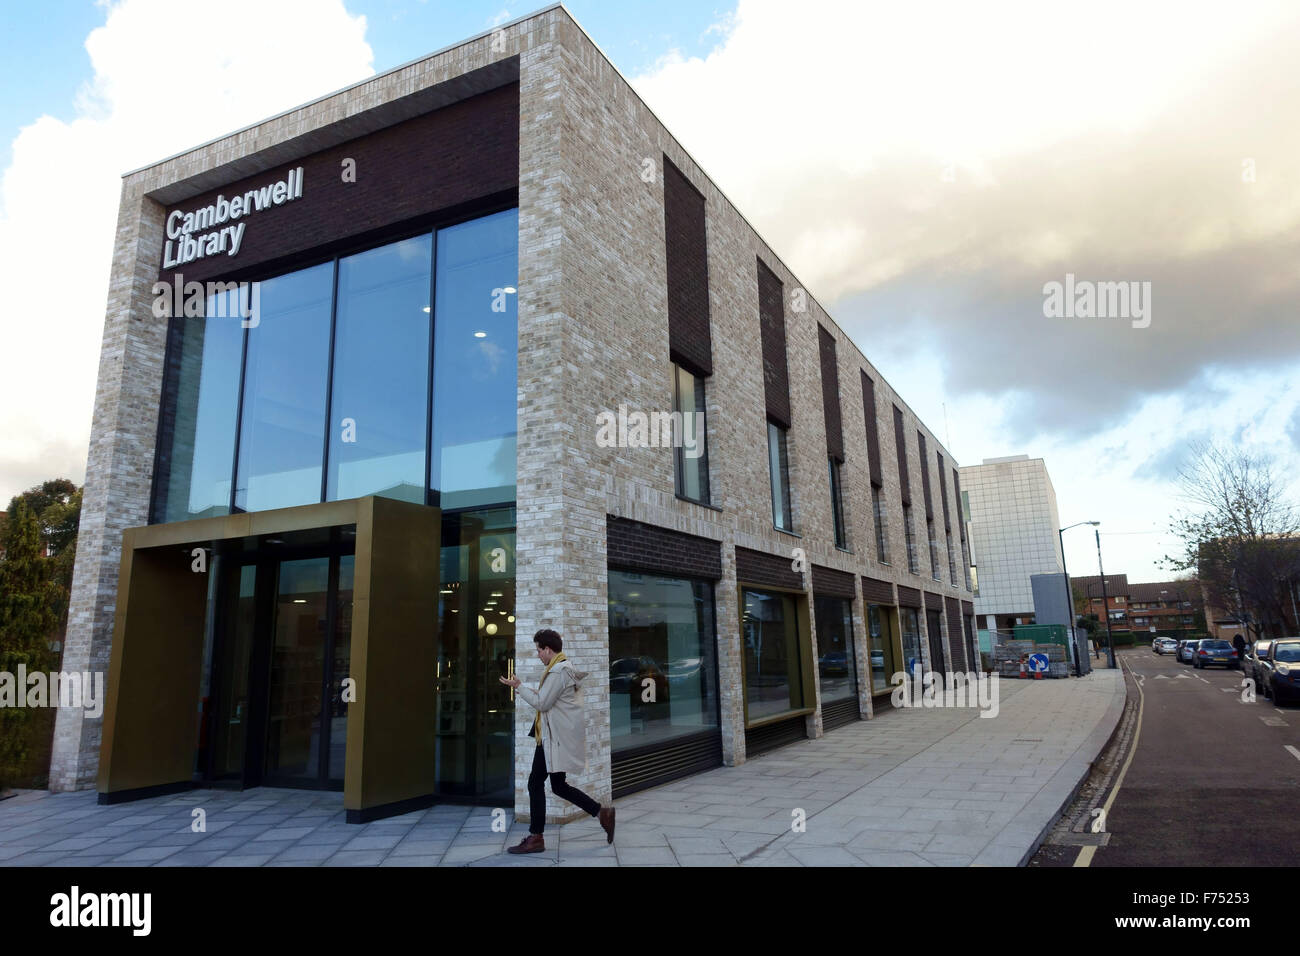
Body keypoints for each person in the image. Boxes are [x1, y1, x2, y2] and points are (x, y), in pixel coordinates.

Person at [499, 628, 615, 853]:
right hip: (553, 737)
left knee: (536, 782)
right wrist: (523, 687)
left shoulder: (557, 672)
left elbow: (542, 703)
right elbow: (549, 699)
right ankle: (602, 813)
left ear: (548, 649)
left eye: (538, 650)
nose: (538, 655)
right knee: (558, 785)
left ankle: (536, 837)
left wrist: (519, 687)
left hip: (552, 739)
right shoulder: (563, 668)